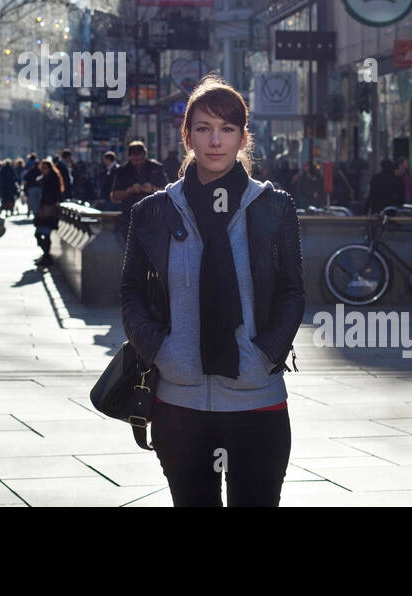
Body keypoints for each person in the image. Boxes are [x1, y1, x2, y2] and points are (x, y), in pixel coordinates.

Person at [119, 74, 304, 507]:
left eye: (227, 129)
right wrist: (162, 351)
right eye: (203, 128)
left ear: (243, 137)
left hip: (258, 402)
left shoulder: (274, 208)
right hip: (179, 405)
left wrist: (266, 353)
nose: (215, 141)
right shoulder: (153, 212)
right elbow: (130, 292)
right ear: (187, 136)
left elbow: (293, 291)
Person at [109, 141, 168, 214]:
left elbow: (168, 193)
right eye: (135, 160)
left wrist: (153, 189)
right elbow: (114, 197)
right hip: (129, 215)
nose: (139, 163)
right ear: (129, 157)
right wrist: (129, 190)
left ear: (145, 155)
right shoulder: (121, 171)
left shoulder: (157, 168)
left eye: (141, 159)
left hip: (153, 214)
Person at [33, 158, 64, 265]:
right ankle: (46, 255)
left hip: (49, 210)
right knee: (38, 234)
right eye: (42, 168)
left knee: (45, 234)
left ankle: (47, 256)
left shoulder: (53, 179)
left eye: (45, 168)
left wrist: (52, 205)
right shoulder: (44, 178)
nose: (44, 170)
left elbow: (55, 195)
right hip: (43, 209)